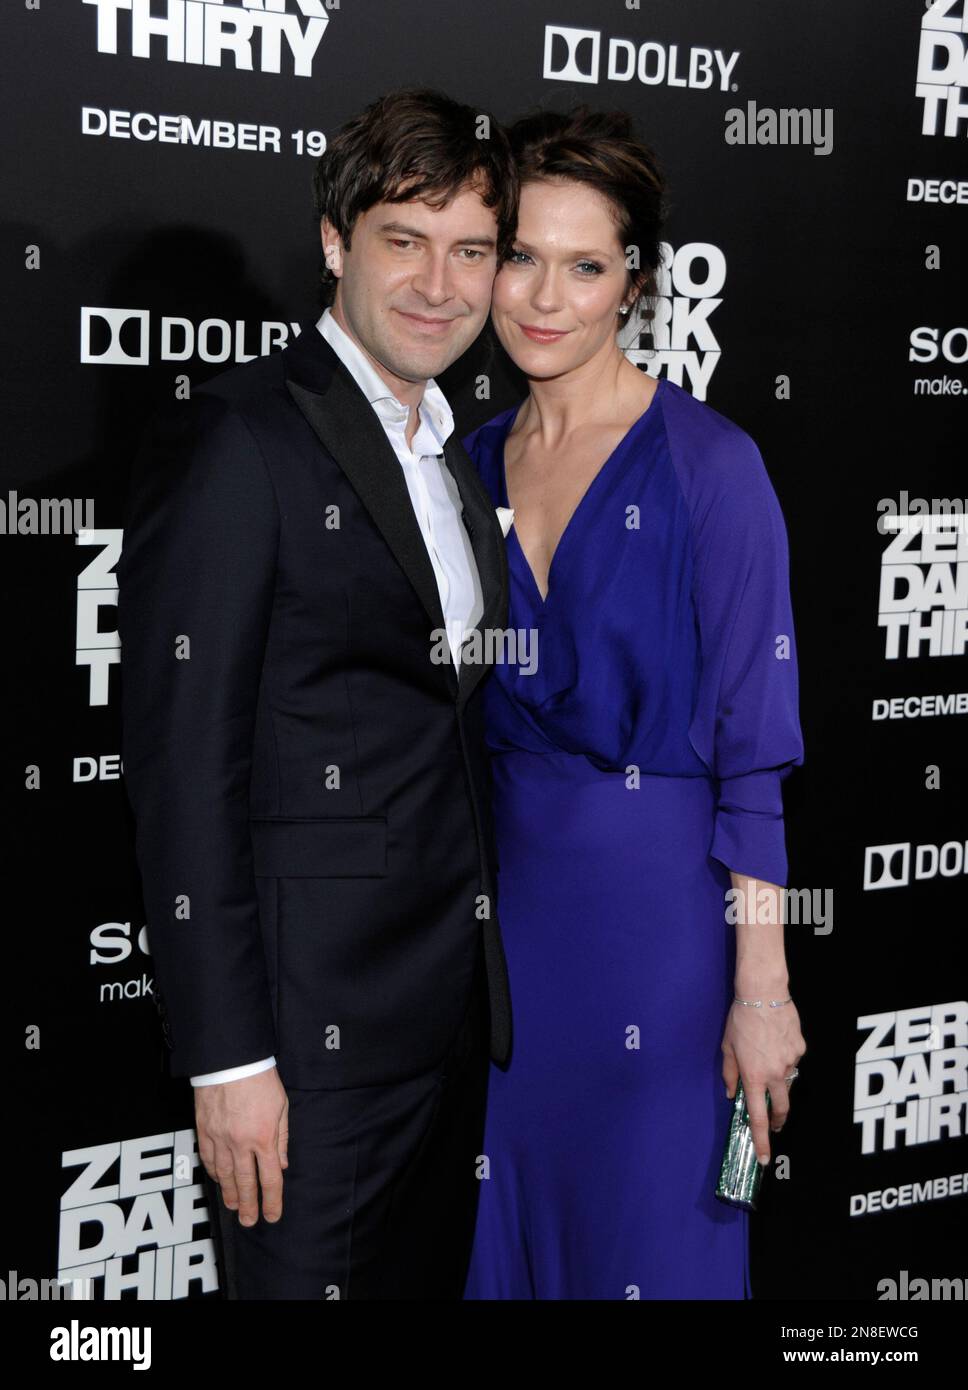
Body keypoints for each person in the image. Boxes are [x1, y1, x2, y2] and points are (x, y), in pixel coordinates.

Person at [116, 87, 519, 1300]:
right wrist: (229, 1057)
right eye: (404, 241)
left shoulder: (449, 442)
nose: (439, 287)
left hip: (448, 1028)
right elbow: (185, 766)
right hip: (305, 1052)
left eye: (471, 251)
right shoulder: (244, 439)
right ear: (337, 242)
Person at [460, 106, 807, 1300]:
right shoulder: (461, 463)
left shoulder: (709, 464)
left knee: (649, 1249)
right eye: (519, 254)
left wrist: (758, 988)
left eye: (585, 264)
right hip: (498, 956)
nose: (544, 296)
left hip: (662, 944)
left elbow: (753, 755)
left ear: (633, 285)